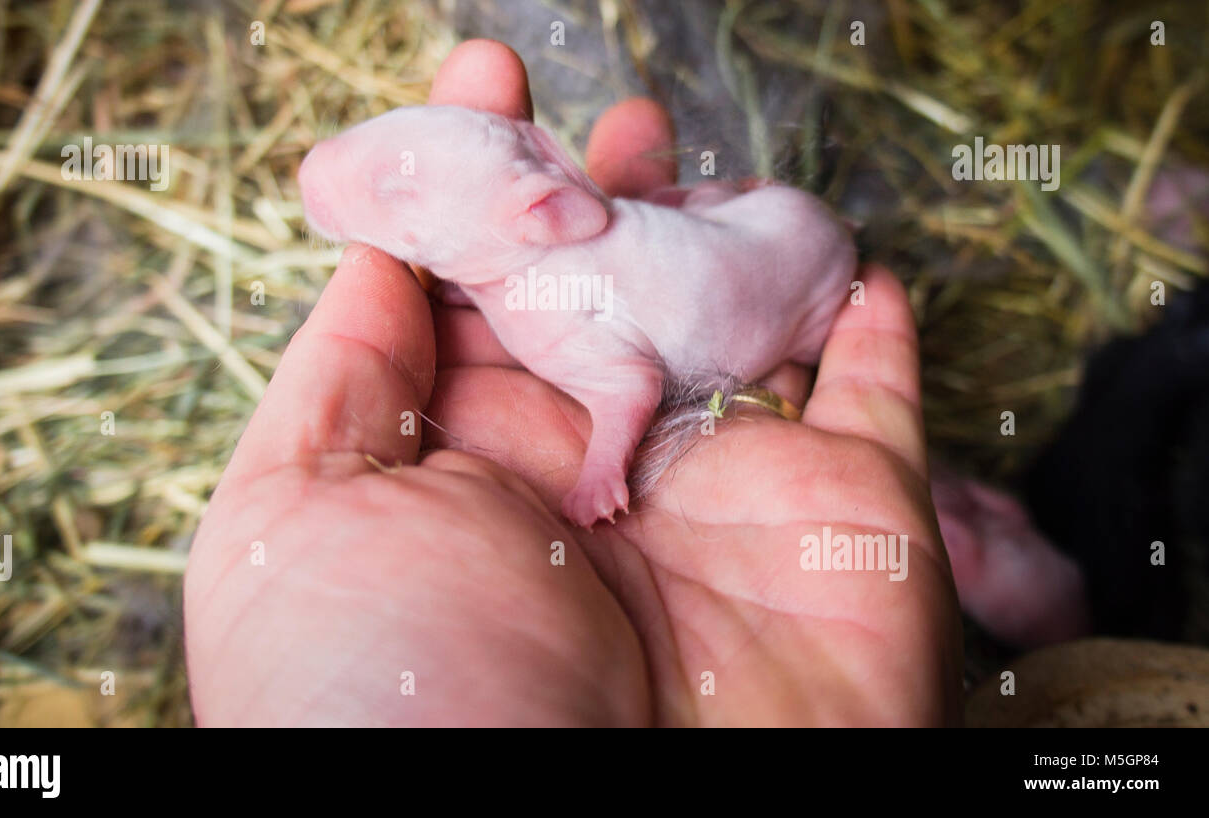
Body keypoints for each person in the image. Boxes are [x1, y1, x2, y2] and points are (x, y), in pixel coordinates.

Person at [183, 39, 965, 726]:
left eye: (397, 190)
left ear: (541, 211)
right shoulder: (519, 234)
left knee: (750, 278)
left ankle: (728, 221)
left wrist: (600, 473)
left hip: (806, 281)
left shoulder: (551, 312)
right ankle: (720, 211)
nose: (319, 167)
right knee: (695, 217)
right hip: (769, 228)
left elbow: (629, 383)